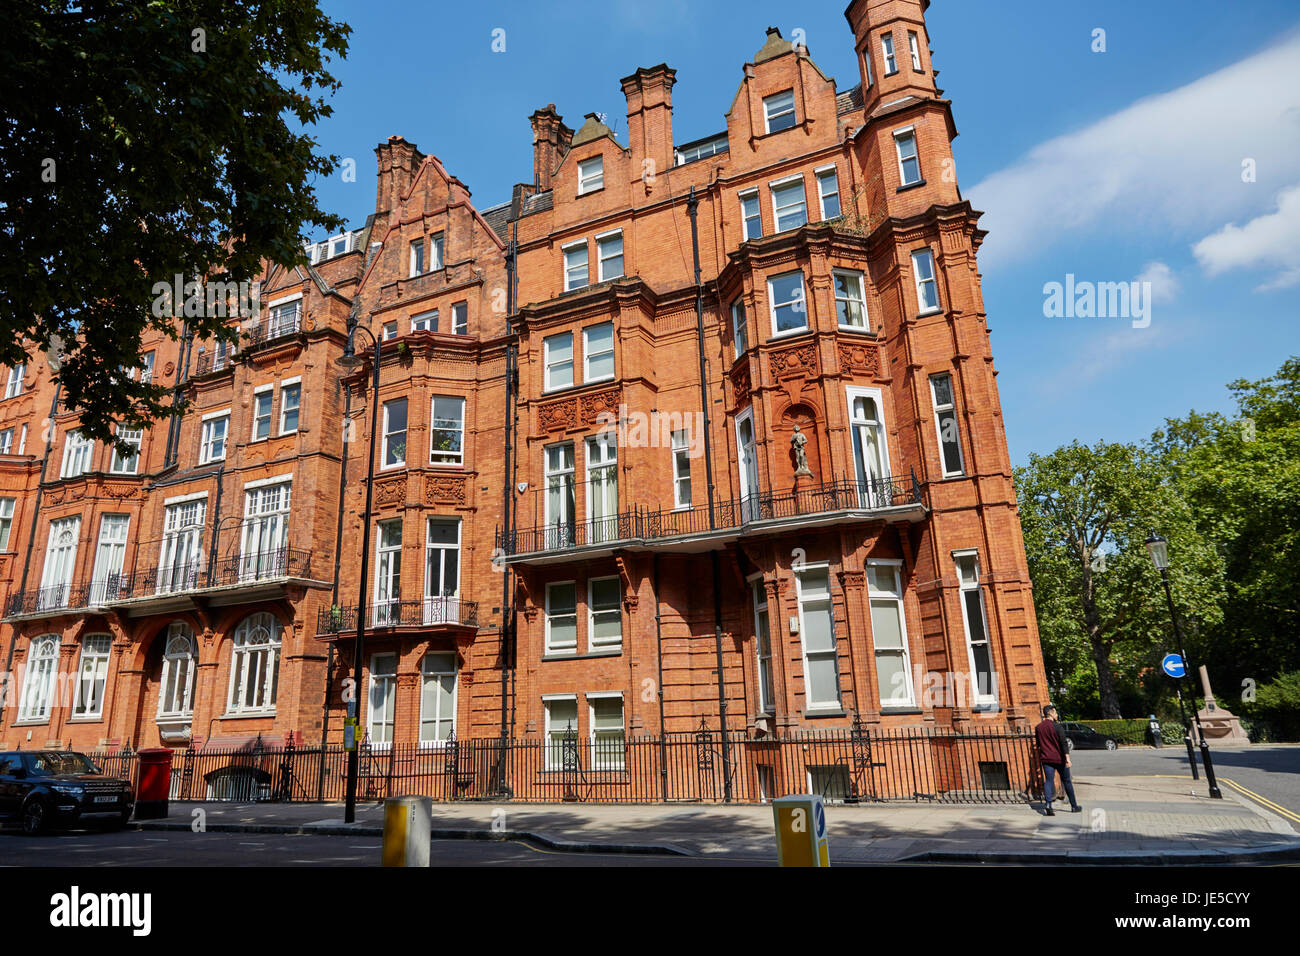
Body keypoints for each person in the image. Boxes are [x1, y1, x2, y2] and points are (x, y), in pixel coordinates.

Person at [1035, 703, 1081, 815]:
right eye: (1055, 712)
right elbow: (1064, 744)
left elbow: (1038, 744)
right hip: (1059, 759)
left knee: (1049, 781)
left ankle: (1048, 804)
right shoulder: (1057, 726)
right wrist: (1068, 759)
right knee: (1067, 781)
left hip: (1046, 759)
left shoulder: (1038, 727)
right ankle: (1074, 806)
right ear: (1050, 713)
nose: (1056, 714)